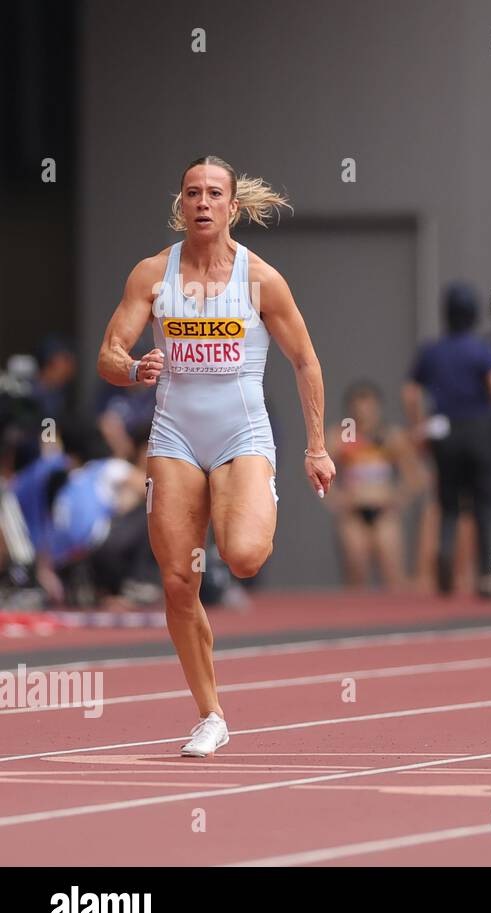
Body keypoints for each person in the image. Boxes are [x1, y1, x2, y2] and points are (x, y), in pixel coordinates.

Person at [96, 155, 334, 755]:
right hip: (175, 435)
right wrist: (131, 368)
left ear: (232, 206)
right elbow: (109, 352)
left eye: (214, 194)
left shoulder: (261, 280)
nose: (202, 203)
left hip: (241, 435)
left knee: (246, 556)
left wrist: (315, 446)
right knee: (179, 582)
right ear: (182, 206)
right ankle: (210, 714)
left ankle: (261, 491)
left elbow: (305, 359)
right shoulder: (153, 275)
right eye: (192, 193)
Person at [404, 283, 491, 598]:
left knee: (448, 503)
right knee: (485, 505)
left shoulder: (432, 351)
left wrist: (419, 427)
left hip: (445, 432)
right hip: (480, 431)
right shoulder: (483, 350)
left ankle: (444, 553)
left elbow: (412, 392)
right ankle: (487, 574)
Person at [326, 381, 426, 590]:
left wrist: (397, 498)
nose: (364, 415)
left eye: (369, 409)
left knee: (393, 576)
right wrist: (336, 499)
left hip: (384, 514)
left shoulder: (391, 436)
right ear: (350, 410)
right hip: (354, 514)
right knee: (356, 573)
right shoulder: (340, 436)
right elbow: (320, 470)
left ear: (377, 408)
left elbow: (416, 476)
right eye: (358, 409)